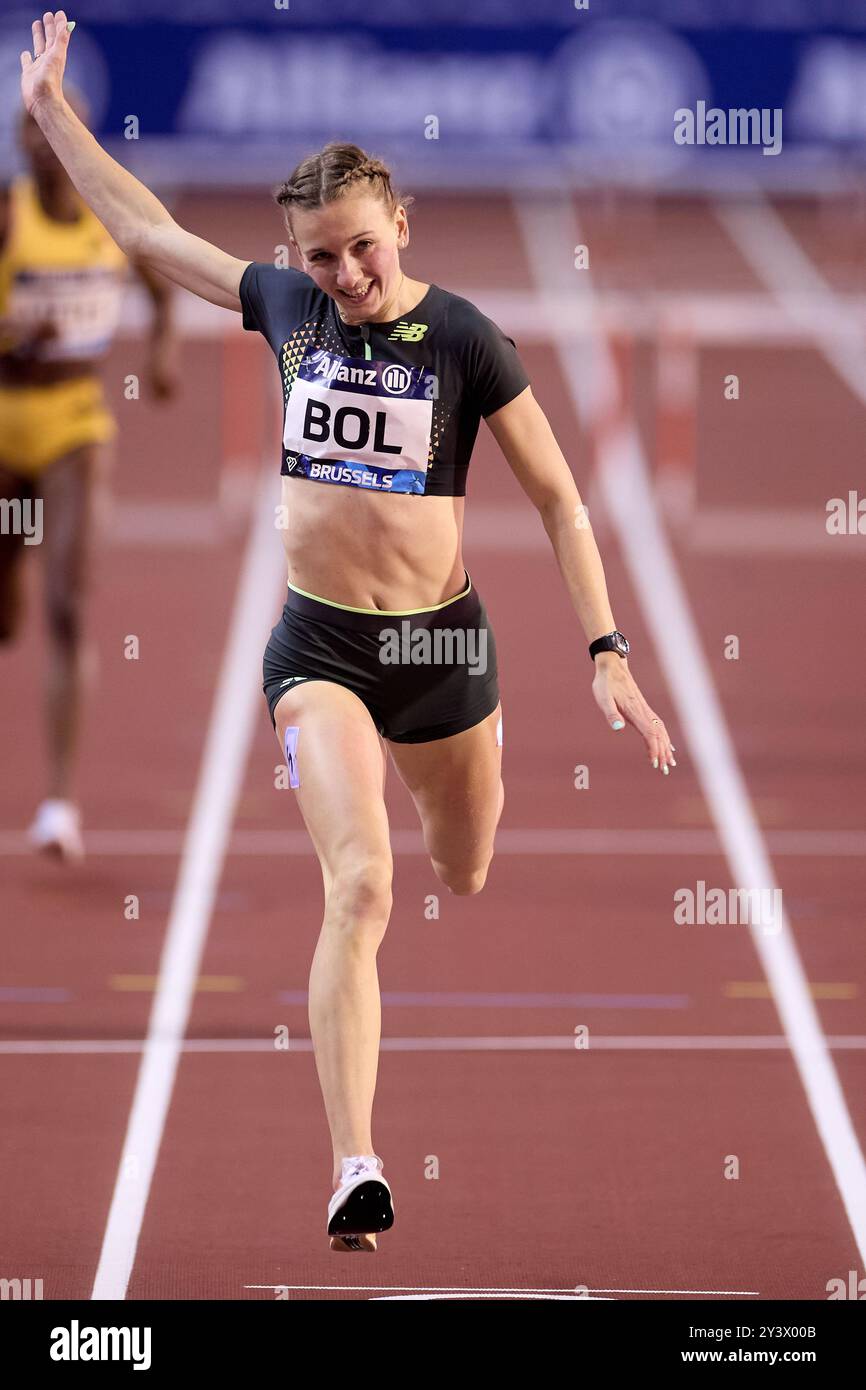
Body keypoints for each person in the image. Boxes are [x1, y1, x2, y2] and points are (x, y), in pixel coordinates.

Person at [20, 12, 676, 1250]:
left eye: (362, 251)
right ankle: (354, 1164)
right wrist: (56, 120)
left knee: (463, 865)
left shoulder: (468, 340)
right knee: (361, 885)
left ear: (402, 225)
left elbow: (557, 499)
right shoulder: (285, 307)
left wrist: (605, 654)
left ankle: (456, 817)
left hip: (440, 651)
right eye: (320, 259)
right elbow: (151, 233)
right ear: (294, 256)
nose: (346, 278)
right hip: (317, 650)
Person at [0, 85, 178, 861]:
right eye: (28, 132)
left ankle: (61, 804)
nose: (40, 145)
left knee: (70, 604)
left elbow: (162, 289)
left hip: (75, 424)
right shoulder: (8, 218)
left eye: (51, 131)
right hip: (6, 428)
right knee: (6, 616)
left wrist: (162, 355)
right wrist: (13, 331)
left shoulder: (114, 219)